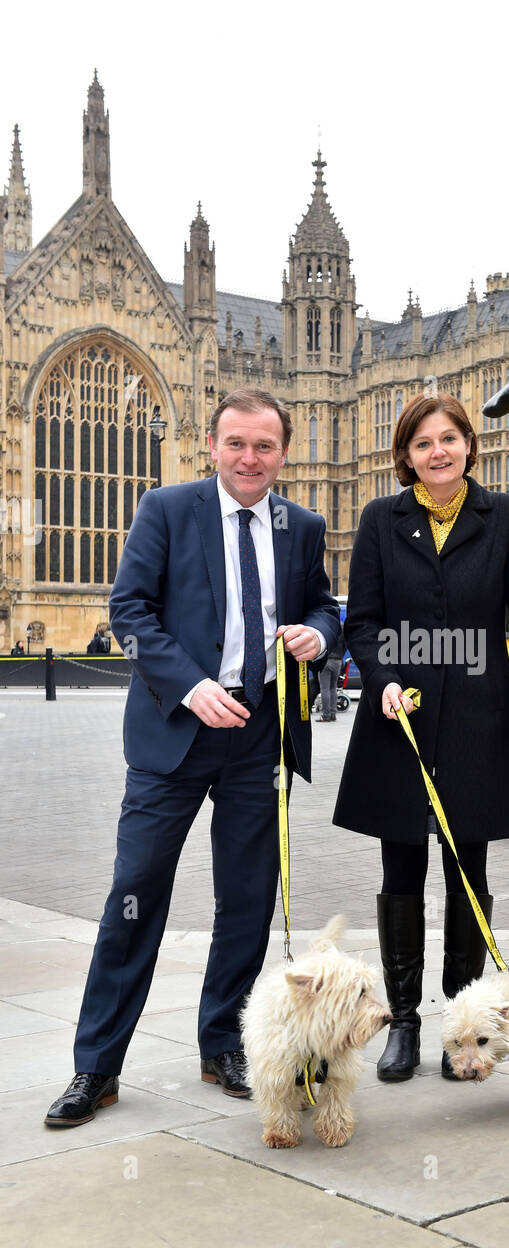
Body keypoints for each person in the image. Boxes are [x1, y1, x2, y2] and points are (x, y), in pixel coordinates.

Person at [45, 387, 340, 1127]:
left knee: (246, 902)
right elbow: (129, 613)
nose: (249, 458)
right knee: (135, 893)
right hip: (175, 733)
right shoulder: (167, 510)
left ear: (283, 451)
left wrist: (316, 635)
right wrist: (189, 685)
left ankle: (223, 1046)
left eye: (264, 446)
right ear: (212, 445)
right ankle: (96, 1067)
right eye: (236, 444)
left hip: (260, 733)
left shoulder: (300, 526)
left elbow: (321, 605)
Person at [332, 393, 509, 1083]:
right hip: (399, 721)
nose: (438, 451)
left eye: (449, 438)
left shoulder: (508, 517)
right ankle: (402, 1024)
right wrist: (382, 678)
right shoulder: (379, 519)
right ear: (406, 456)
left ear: (468, 446)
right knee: (400, 873)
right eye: (424, 442)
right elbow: (361, 621)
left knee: (468, 870)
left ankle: (465, 1027)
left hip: (480, 722)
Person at [317, 622, 346, 721]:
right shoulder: (342, 626)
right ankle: (333, 713)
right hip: (337, 661)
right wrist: (341, 655)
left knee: (325, 688)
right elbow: (346, 644)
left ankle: (326, 715)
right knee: (333, 687)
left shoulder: (326, 624)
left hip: (326, 660)